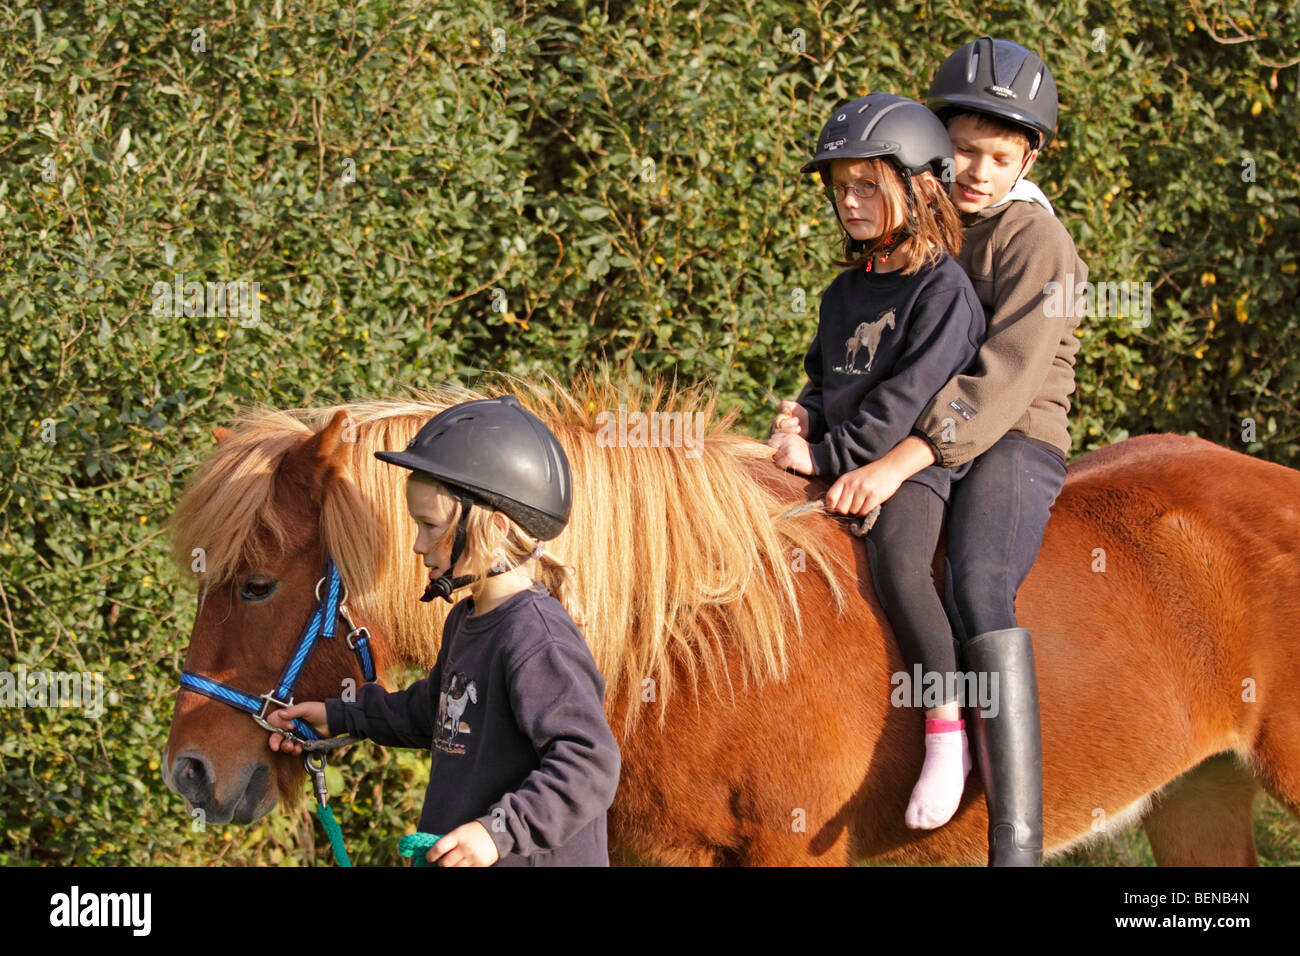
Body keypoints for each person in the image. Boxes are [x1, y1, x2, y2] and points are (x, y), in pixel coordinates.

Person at [783, 38, 1087, 866]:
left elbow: (1002, 381)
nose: (980, 171)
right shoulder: (928, 230)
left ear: (1027, 157)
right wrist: (806, 416)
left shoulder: (1036, 245)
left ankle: (1016, 832)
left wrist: (895, 461)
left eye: (1000, 156)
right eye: (962, 151)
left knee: (979, 583)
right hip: (924, 439)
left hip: (1011, 440)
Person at [267, 395, 621, 867]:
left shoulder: (537, 638)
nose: (418, 545)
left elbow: (590, 764)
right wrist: (340, 717)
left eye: (429, 526)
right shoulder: (466, 619)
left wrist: (497, 833)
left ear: (492, 529)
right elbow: (433, 713)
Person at [767, 92, 986, 833]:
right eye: (840, 188)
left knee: (897, 566)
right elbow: (827, 379)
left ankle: (947, 729)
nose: (850, 202)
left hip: (910, 467)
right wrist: (799, 416)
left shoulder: (944, 293)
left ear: (922, 187)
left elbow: (901, 404)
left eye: (867, 185)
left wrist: (822, 454)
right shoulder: (842, 292)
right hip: (843, 454)